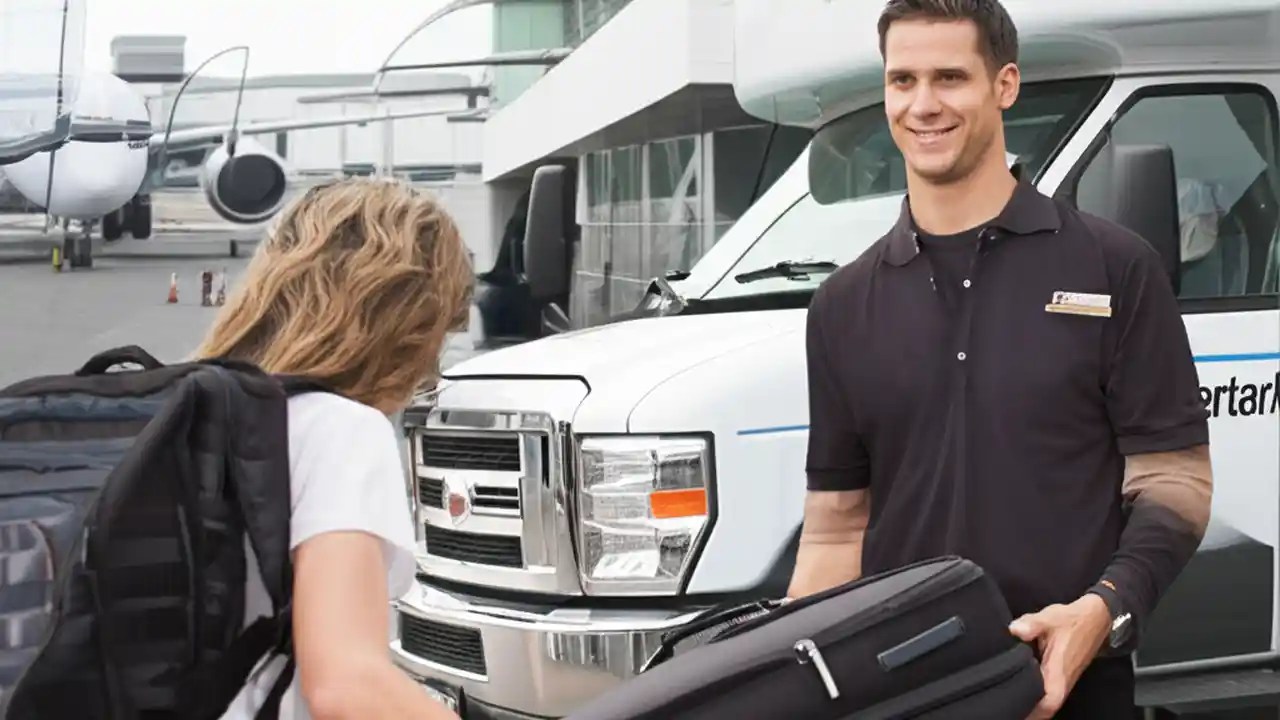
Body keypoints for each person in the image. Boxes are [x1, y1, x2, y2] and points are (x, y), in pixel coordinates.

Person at [787, 1, 1214, 718]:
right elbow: (836, 529)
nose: (923, 105)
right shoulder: (841, 304)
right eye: (902, 81)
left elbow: (1176, 484)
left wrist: (1102, 612)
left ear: (1004, 84)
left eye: (950, 77)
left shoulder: (1113, 267)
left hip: (1070, 686)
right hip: (905, 693)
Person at [193, 177, 473, 719]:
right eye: (438, 338)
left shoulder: (190, 413)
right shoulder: (337, 429)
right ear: (405, 327)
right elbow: (347, 686)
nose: (431, 371)